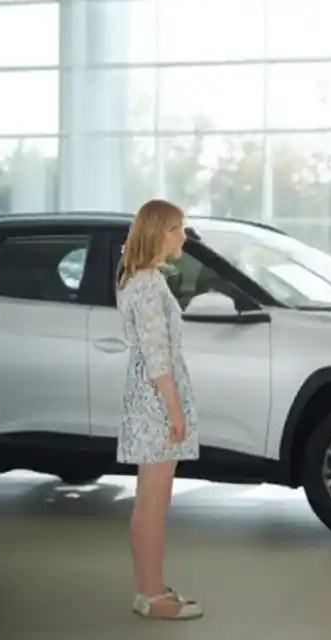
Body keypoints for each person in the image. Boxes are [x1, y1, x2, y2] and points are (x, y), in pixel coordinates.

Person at [116, 198, 203, 620]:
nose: (183, 236)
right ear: (157, 232)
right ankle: (150, 595)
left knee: (153, 497)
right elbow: (157, 355)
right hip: (156, 401)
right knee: (152, 500)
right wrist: (174, 411)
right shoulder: (148, 284)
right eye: (176, 228)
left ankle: (150, 587)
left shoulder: (140, 278)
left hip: (150, 397)